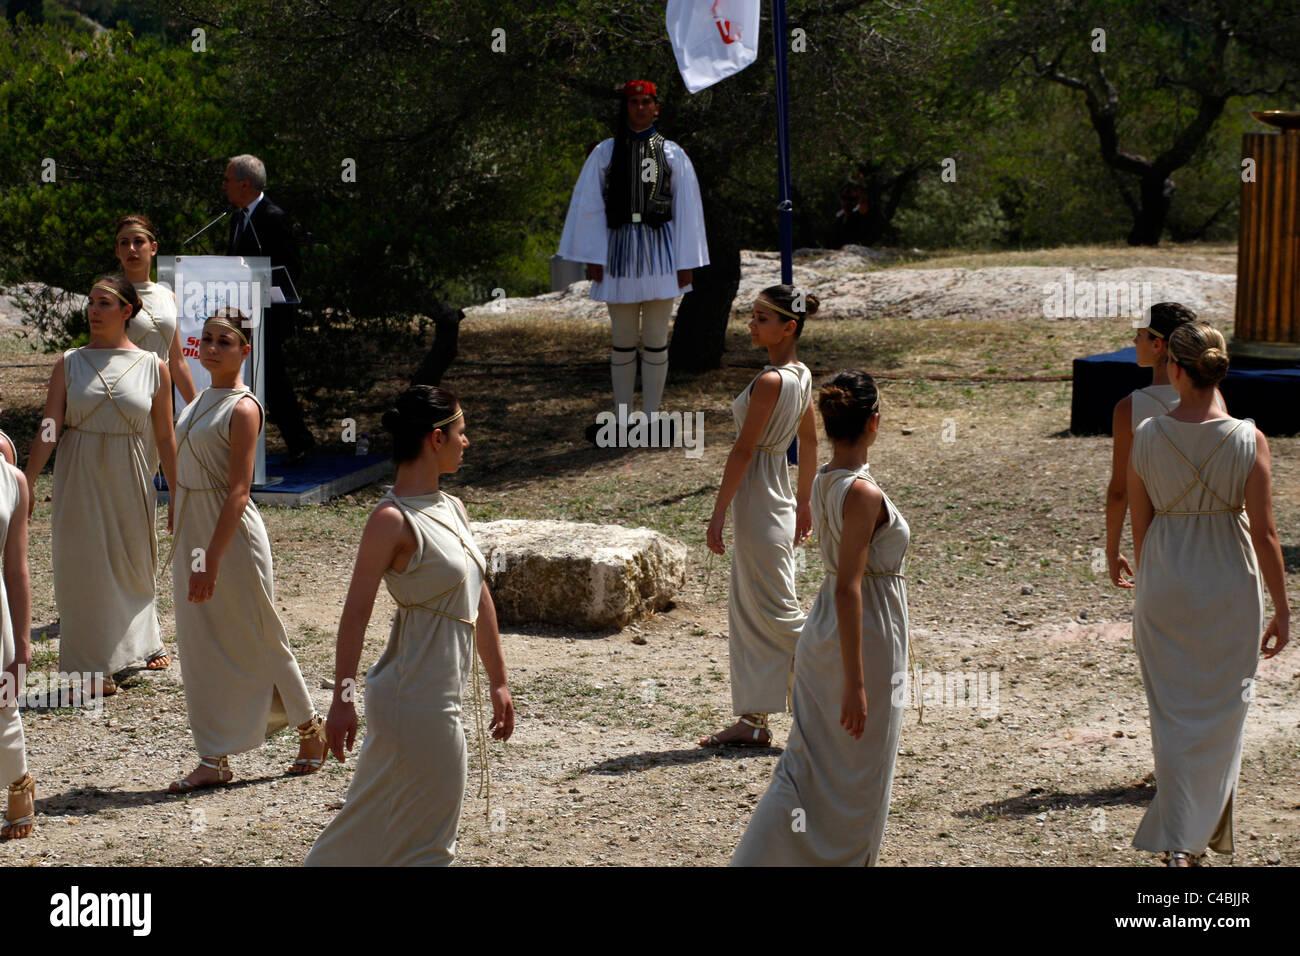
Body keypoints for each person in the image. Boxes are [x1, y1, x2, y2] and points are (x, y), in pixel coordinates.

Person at [305, 386, 514, 866]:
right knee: (430, 840)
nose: (468, 442)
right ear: (435, 439)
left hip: (436, 694)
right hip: (411, 698)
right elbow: (355, 614)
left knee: (374, 822)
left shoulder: (453, 507)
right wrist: (341, 701)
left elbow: (478, 595)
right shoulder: (391, 520)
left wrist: (499, 679)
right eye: (462, 433)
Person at [1128, 322, 1290, 866]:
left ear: (1173, 368)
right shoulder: (1248, 437)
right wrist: (1284, 608)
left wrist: (1152, 584)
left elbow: (1141, 524)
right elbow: (1266, 535)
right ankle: (1191, 840)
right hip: (1230, 582)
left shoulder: (1146, 433)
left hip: (1166, 580)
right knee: (1224, 715)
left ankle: (1182, 840)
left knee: (1170, 714)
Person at [733, 370, 909, 865]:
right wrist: (856, 683)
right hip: (864, 639)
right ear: (874, 421)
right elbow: (851, 585)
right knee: (862, 775)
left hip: (822, 631)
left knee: (806, 766)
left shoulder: (822, 481)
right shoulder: (863, 493)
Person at [166, 309, 328, 793]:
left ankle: (310, 729)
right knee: (199, 641)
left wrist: (210, 559)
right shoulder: (195, 403)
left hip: (230, 535)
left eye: (224, 342)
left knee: (259, 633)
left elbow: (239, 490)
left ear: (244, 351)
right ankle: (213, 757)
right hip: (193, 529)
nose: (212, 348)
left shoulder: (243, 407)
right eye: (207, 340)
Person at [23, 275, 179, 698]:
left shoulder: (153, 367)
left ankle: (130, 647)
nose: (93, 310)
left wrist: (178, 494)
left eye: (104, 303)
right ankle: (89, 667)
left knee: (131, 566)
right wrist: (28, 480)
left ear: (127, 311)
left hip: (130, 473)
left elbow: (165, 437)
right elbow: (51, 426)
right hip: (79, 470)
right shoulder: (70, 362)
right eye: (91, 302)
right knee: (83, 566)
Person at [558, 80, 709, 441]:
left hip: (661, 251)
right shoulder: (605, 152)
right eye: (634, 102)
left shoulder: (673, 154)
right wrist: (594, 257)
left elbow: (687, 210)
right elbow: (590, 207)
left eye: (646, 102)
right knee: (623, 338)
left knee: (656, 338)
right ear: (625, 107)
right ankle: (624, 420)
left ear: (656, 108)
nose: (640, 108)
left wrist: (685, 260)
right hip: (619, 250)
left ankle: (652, 420)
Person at [701, 285, 817, 747]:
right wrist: (803, 500)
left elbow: (744, 450)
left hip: (760, 499)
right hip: (777, 497)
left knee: (775, 610)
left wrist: (718, 512)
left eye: (761, 319)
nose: (751, 325)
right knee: (749, 608)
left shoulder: (773, 381)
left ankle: (851, 665)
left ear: (788, 327)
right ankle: (753, 721)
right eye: (752, 317)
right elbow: (808, 443)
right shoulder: (801, 374)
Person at [1105, 302, 1224, 588]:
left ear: (1158, 344)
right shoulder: (1216, 398)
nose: (1134, 341)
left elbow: (1119, 490)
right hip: (1215, 535)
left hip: (1159, 533)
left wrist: (1111, 550)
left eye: (1140, 335)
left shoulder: (1129, 408)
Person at [222, 153, 316, 465]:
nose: (223, 187)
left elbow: (290, 268)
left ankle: (301, 443)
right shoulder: (236, 218)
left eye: (227, 180)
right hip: (241, 315)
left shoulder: (274, 217)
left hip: (269, 316)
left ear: (244, 184)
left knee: (274, 380)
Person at [114, 213, 198, 413]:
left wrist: (196, 409)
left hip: (160, 402)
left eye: (138, 241)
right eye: (124, 243)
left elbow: (177, 361)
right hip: (120, 400)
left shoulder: (168, 296)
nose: (131, 249)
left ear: (153, 248)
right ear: (117, 251)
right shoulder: (110, 295)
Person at [0, 456, 33, 840]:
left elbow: (17, 569)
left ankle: (19, 782)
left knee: (2, 705)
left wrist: (23, 650)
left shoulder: (13, 481)